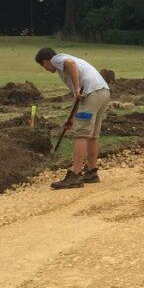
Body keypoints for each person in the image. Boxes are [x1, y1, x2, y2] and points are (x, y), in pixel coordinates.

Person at [35, 47, 111, 189]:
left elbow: (70, 64)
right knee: (93, 135)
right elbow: (78, 99)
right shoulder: (67, 63)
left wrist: (76, 88)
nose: (45, 69)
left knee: (80, 134)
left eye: (42, 65)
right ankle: (92, 173)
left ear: (46, 61)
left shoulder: (57, 59)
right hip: (103, 92)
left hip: (91, 93)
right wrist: (70, 118)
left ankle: (75, 176)